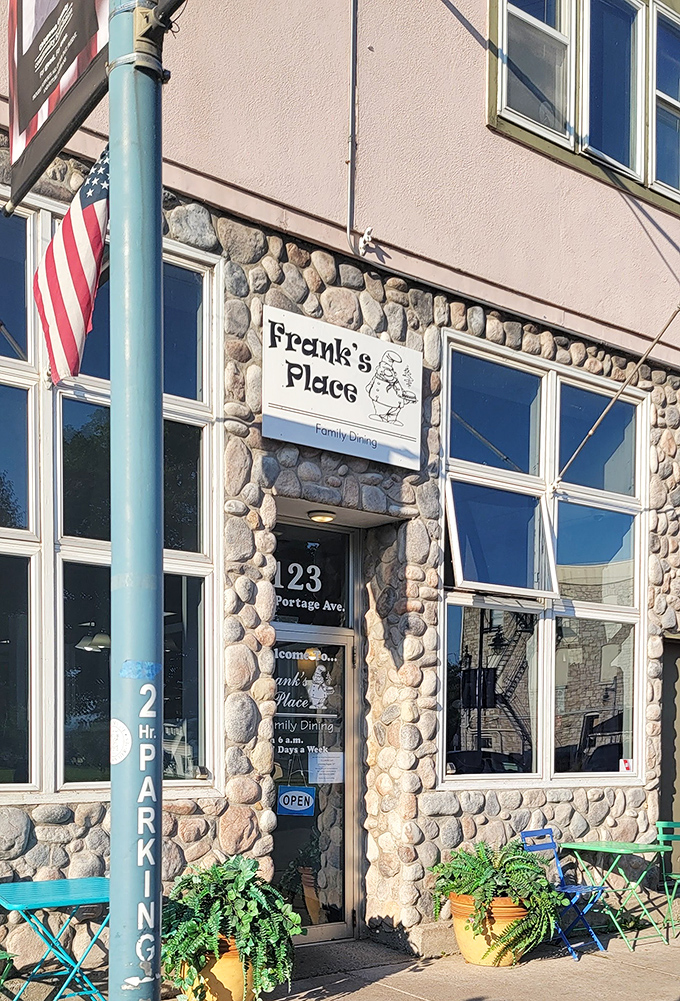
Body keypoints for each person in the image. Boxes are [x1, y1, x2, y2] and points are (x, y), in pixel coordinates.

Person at [366, 350, 417, 424]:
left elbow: (396, 385)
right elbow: (396, 385)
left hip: (383, 395)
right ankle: (383, 416)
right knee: (387, 406)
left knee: (392, 406)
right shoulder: (386, 374)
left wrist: (400, 392)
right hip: (383, 395)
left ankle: (389, 418)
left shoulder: (384, 373)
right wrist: (400, 392)